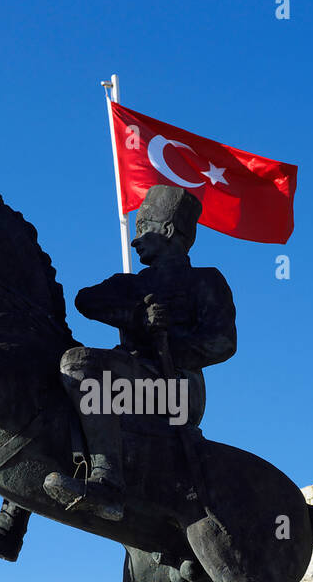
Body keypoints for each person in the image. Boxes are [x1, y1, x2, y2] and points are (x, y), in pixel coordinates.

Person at [42, 184, 236, 521]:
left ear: (169, 231)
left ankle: (108, 482)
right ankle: (12, 518)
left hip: (176, 388)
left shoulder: (205, 281)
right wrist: (136, 315)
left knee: (78, 364)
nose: (135, 240)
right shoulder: (132, 284)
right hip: (130, 374)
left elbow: (223, 342)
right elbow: (85, 300)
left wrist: (171, 341)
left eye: (143, 229)